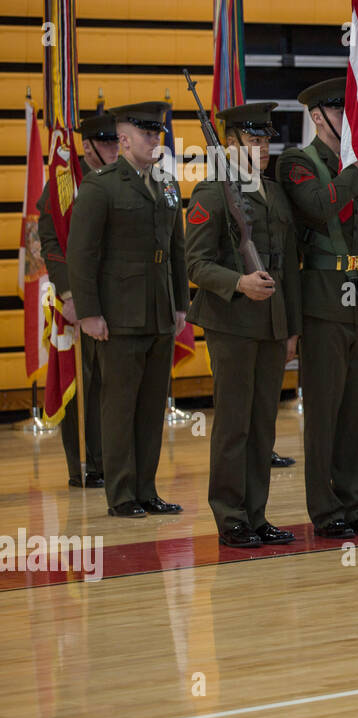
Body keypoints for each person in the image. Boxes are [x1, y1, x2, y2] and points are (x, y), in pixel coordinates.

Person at [278, 77, 358, 539]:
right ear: (318, 117)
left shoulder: (357, 165)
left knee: (356, 411)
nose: (351, 120)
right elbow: (318, 208)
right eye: (342, 112)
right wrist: (357, 171)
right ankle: (325, 511)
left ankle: (353, 504)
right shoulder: (296, 162)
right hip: (323, 301)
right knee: (324, 410)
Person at [186, 101, 301, 548]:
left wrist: (291, 326)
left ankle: (257, 513)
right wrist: (239, 282)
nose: (264, 147)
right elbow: (194, 264)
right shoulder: (211, 194)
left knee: (263, 425)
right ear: (230, 143)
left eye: (267, 138)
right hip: (231, 322)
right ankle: (230, 516)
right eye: (254, 139)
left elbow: (288, 264)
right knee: (235, 423)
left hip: (272, 323)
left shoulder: (272, 193)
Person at [67, 101, 187, 518]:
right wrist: (89, 313)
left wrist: (180, 304)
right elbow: (81, 254)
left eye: (158, 134)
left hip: (158, 311)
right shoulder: (102, 186)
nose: (156, 140)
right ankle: (120, 494)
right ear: (123, 139)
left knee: (151, 406)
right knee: (119, 407)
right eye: (147, 134)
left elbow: (176, 249)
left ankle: (147, 490)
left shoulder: (167, 184)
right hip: (117, 314)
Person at [37, 112, 117, 488]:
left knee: (114, 384)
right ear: (86, 147)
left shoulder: (125, 178)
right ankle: (85, 464)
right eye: (106, 143)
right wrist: (70, 294)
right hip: (75, 300)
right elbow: (50, 242)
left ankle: (115, 462)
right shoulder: (65, 180)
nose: (115, 148)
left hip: (118, 296)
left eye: (118, 141)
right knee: (83, 384)